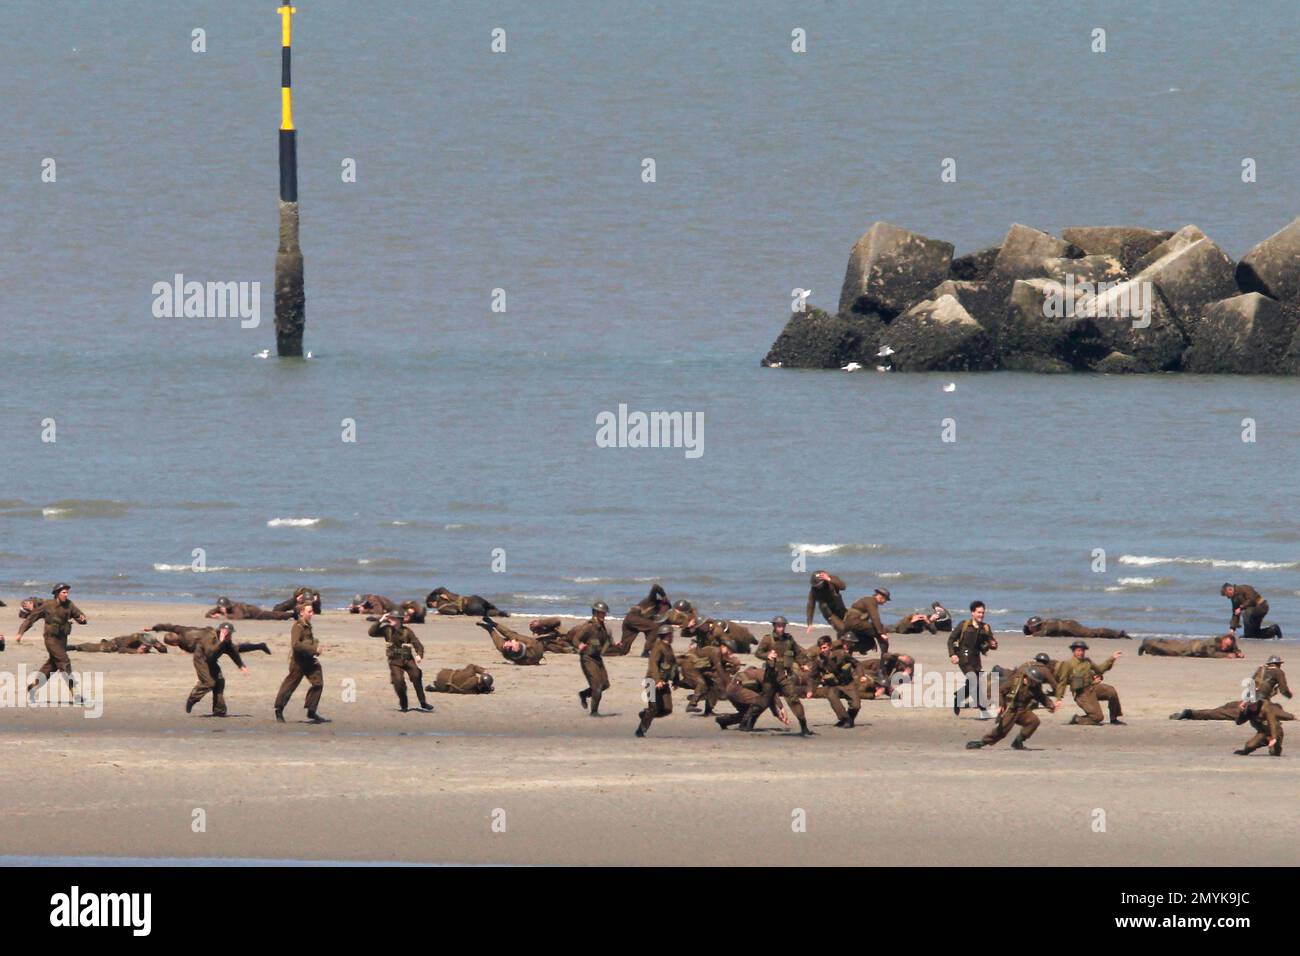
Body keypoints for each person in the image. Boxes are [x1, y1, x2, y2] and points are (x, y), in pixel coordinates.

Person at [16, 583, 88, 701]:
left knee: (51, 667)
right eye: (64, 592)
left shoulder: (69, 605)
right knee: (64, 661)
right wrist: (20, 633)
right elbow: (31, 618)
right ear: (57, 593)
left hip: (62, 640)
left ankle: (34, 687)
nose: (66, 594)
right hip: (51, 639)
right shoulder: (47, 605)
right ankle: (75, 693)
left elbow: (80, 616)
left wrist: (82, 619)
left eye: (67, 592)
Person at [966, 660, 1060, 750]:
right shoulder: (1014, 682)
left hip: (1023, 710)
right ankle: (982, 742)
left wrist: (1050, 705)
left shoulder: (1034, 687)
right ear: (1028, 678)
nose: (1035, 683)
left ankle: (1018, 741)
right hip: (1011, 709)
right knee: (1002, 731)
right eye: (1034, 681)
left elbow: (1041, 696)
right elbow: (1000, 691)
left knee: (1034, 721)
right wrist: (1000, 705)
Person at [1170, 656, 1295, 720]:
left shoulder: (1260, 669)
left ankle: (1191, 713)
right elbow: (1284, 691)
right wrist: (1291, 711)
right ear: (1278, 664)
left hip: (1247, 699)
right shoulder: (1278, 672)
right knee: (1223, 714)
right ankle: (1191, 714)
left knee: (1223, 708)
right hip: (1258, 704)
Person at [754, 615, 815, 736]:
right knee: (763, 701)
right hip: (770, 677)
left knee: (793, 699)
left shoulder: (789, 639)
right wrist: (767, 655)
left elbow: (797, 653)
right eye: (778, 626)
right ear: (774, 626)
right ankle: (748, 723)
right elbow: (758, 653)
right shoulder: (768, 639)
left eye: (782, 626)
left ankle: (804, 727)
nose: (780, 628)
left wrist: (802, 664)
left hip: (784, 676)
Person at [273, 603, 327, 723]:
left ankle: (311, 711)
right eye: (309, 611)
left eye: (312, 611)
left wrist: (316, 650)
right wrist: (314, 649)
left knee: (318, 683)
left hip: (309, 660)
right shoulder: (298, 626)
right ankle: (279, 710)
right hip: (298, 662)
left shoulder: (307, 626)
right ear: (302, 612)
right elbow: (296, 645)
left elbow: (308, 641)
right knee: (289, 686)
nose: (312, 614)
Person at [369, 610, 432, 712]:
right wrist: (381, 620)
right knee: (398, 681)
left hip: (408, 660)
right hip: (394, 661)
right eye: (390, 618)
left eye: (393, 618)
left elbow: (418, 644)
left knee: (416, 675)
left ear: (399, 620)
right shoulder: (386, 630)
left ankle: (423, 702)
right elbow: (371, 633)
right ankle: (404, 704)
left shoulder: (407, 631)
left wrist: (419, 655)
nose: (391, 620)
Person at [185, 622, 250, 717]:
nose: (229, 636)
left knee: (220, 682)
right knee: (209, 683)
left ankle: (219, 710)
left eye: (230, 634)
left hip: (211, 661)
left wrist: (241, 665)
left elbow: (233, 652)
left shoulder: (226, 641)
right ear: (221, 632)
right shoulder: (210, 637)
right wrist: (221, 641)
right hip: (201, 660)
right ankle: (192, 699)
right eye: (227, 634)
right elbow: (209, 653)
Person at [1054, 641, 1124, 725]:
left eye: (1083, 651)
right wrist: (1059, 699)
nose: (1081, 653)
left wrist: (1112, 658)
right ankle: (1077, 719)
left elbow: (1100, 669)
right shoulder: (1068, 664)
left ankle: (1114, 718)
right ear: (1074, 651)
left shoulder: (1087, 661)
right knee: (1098, 717)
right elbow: (1063, 681)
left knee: (1111, 691)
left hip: (1092, 688)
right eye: (1079, 650)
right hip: (1081, 694)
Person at [948, 600, 997, 718]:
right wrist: (952, 655)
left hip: (976, 660)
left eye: (983, 613)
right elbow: (951, 639)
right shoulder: (964, 625)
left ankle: (958, 697)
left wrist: (994, 645)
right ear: (972, 613)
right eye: (979, 612)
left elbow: (992, 643)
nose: (981, 615)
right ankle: (983, 708)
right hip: (963, 657)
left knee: (972, 684)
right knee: (974, 680)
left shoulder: (985, 627)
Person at [636, 622, 678, 736]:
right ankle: (640, 731)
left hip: (663, 683)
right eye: (671, 634)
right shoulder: (657, 647)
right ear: (667, 635)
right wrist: (657, 680)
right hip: (651, 682)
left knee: (667, 709)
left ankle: (646, 714)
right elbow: (653, 664)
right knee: (654, 708)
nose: (673, 636)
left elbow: (673, 665)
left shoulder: (668, 647)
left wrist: (676, 681)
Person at [572, 601, 613, 715]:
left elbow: (607, 642)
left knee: (605, 685)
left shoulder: (604, 628)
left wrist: (615, 645)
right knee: (597, 686)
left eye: (605, 613)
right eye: (602, 613)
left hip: (597, 658)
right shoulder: (589, 626)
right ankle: (594, 712)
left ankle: (584, 694)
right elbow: (576, 639)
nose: (604, 615)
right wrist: (580, 645)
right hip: (587, 658)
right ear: (595, 613)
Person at [611, 584, 671, 657]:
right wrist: (664, 595)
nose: (665, 611)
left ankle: (605, 650)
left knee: (623, 650)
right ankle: (645, 652)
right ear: (662, 603)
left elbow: (650, 635)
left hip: (631, 623)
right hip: (633, 617)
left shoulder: (654, 616)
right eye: (666, 608)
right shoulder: (652, 601)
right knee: (654, 627)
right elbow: (655, 587)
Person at [478, 617, 545, 665]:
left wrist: (491, 630)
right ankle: (493, 624)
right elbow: (509, 634)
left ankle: (490, 629)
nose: (508, 642)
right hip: (533, 647)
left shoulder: (521, 660)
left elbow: (509, 651)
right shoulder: (531, 643)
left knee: (502, 646)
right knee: (511, 635)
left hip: (522, 653)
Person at [804, 571, 848, 635]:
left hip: (840, 608)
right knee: (842, 629)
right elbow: (810, 606)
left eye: (819, 584)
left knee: (850, 624)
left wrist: (829, 580)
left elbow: (843, 587)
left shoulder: (832, 579)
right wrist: (809, 623)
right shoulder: (814, 591)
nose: (818, 587)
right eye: (816, 585)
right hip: (830, 614)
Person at [1023, 616, 1129, 640]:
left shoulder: (1047, 627)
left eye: (1031, 628)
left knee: (1092, 633)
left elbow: (1045, 632)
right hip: (1068, 627)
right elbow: (1027, 631)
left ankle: (1118, 634)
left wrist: (1033, 635)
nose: (1030, 629)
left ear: (1036, 626)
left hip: (1071, 627)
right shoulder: (1042, 625)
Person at [425, 587, 508, 617]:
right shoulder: (444, 592)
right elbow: (439, 588)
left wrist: (442, 612)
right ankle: (499, 611)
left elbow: (455, 612)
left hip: (469, 607)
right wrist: (432, 594)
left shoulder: (440, 608)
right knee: (488, 605)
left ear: (432, 603)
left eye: (431, 606)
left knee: (486, 613)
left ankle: (499, 613)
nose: (434, 607)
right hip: (472, 598)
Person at [1138, 634, 1242, 658]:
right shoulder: (1214, 642)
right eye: (1225, 645)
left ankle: (1149, 648)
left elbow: (1233, 645)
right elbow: (1211, 654)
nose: (1225, 647)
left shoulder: (1227, 642)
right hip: (1189, 649)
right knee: (1167, 648)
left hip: (1193, 645)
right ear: (1223, 640)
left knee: (1166, 647)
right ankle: (1147, 642)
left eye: (1228, 647)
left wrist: (1238, 652)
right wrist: (1226, 655)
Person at [204, 597, 293, 621]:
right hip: (249, 612)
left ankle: (292, 615)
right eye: (219, 607)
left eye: (222, 607)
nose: (220, 609)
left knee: (274, 615)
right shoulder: (221, 607)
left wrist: (225, 614)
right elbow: (208, 613)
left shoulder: (236, 607)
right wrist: (212, 615)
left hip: (255, 612)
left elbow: (238, 617)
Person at [72, 632, 168, 654]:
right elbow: (122, 649)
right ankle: (75, 647)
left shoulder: (151, 639)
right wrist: (136, 651)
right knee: (95, 648)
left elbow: (164, 650)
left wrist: (159, 646)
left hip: (125, 645)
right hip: (115, 644)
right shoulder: (134, 637)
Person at [426, 665, 495, 694]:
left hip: (443, 674)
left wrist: (483, 671)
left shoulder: (470, 674)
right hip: (443, 686)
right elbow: (477, 690)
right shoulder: (472, 690)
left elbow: (472, 666)